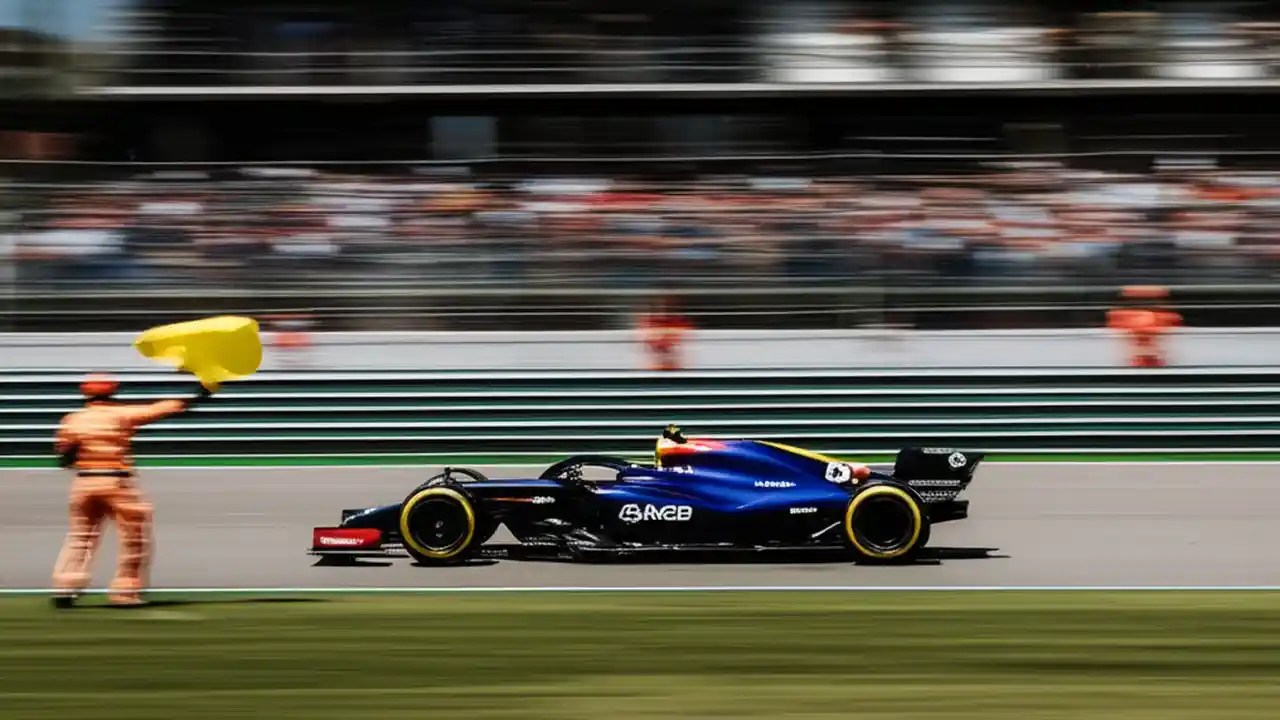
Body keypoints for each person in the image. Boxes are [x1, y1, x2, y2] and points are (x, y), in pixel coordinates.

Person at [50, 373, 214, 608]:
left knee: (80, 538)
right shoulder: (121, 415)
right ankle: (125, 591)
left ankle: (65, 587)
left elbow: (63, 459)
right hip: (117, 483)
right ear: (113, 392)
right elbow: (160, 409)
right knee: (133, 538)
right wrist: (199, 393)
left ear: (85, 393)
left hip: (84, 483)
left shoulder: (72, 420)